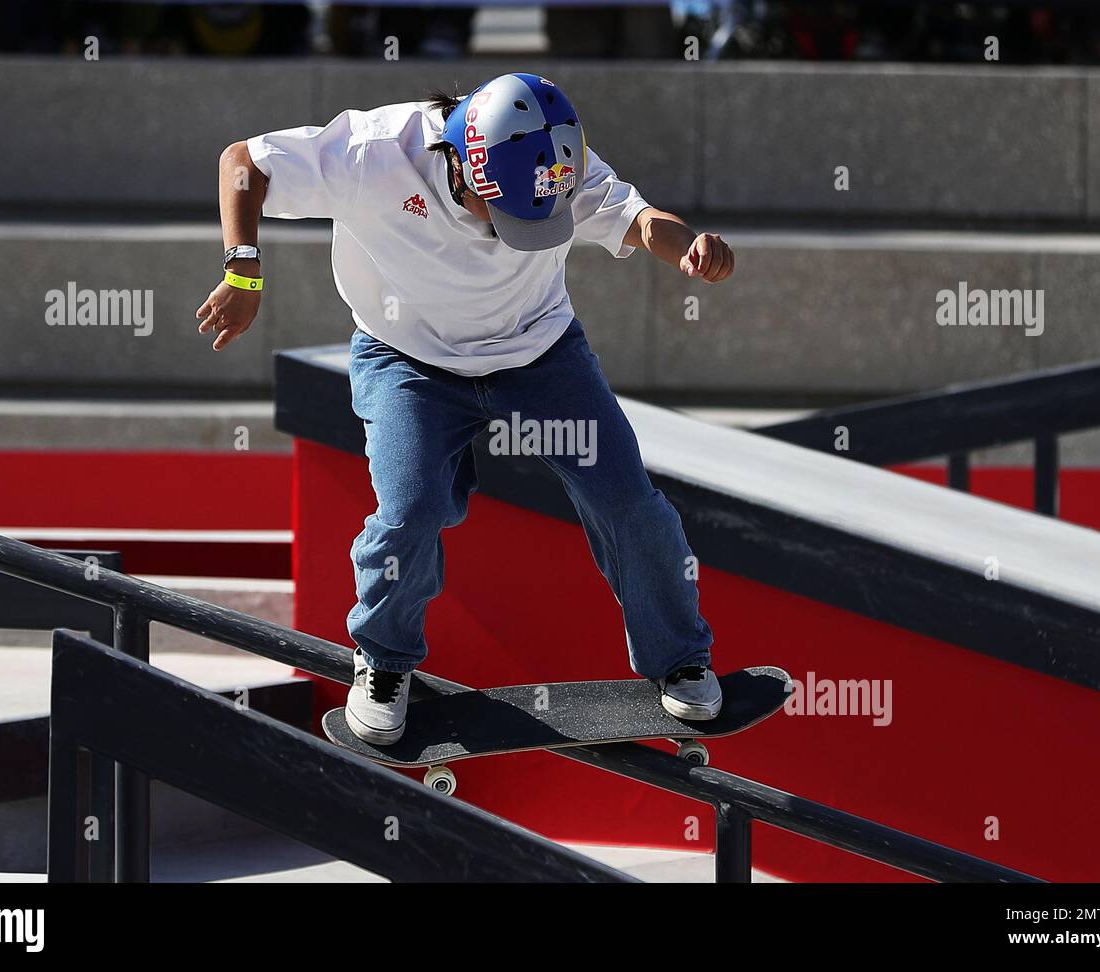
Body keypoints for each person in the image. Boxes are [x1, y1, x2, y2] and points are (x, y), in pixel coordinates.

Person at [199, 73, 734, 745]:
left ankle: (678, 660)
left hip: (540, 356)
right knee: (411, 509)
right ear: (459, 164)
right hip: (409, 362)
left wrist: (688, 244)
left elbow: (639, 219)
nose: (519, 234)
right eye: (503, 214)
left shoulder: (551, 160)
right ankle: (384, 662)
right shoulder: (373, 153)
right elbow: (242, 162)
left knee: (628, 500)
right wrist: (243, 270)